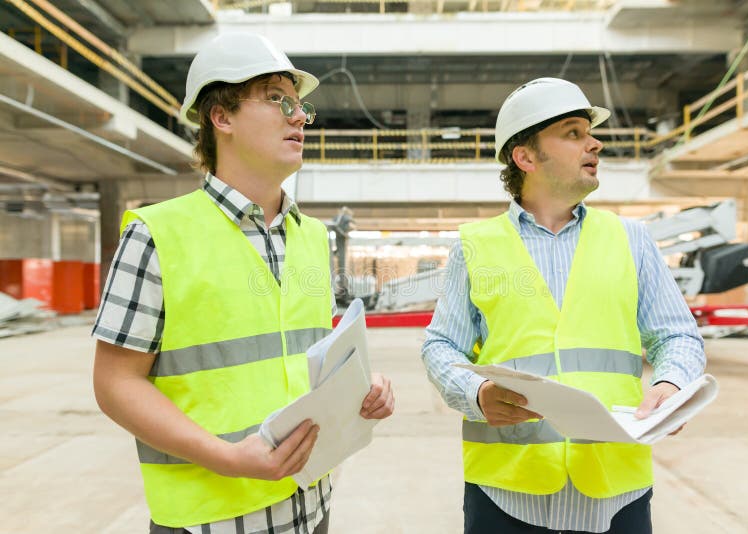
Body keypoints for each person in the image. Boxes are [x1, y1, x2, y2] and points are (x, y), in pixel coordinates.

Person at [92, 32, 394, 534]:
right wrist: (228, 457)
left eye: (300, 107)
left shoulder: (312, 236)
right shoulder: (157, 234)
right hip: (209, 520)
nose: (299, 117)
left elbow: (300, 360)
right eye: (279, 100)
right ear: (222, 117)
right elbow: (115, 383)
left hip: (309, 509)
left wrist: (360, 388)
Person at [421, 77, 705, 534]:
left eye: (589, 133)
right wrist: (476, 395)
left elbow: (676, 333)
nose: (594, 143)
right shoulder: (475, 247)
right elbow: (440, 346)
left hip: (616, 488)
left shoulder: (631, 240)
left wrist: (673, 386)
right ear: (526, 157)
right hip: (507, 490)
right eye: (573, 133)